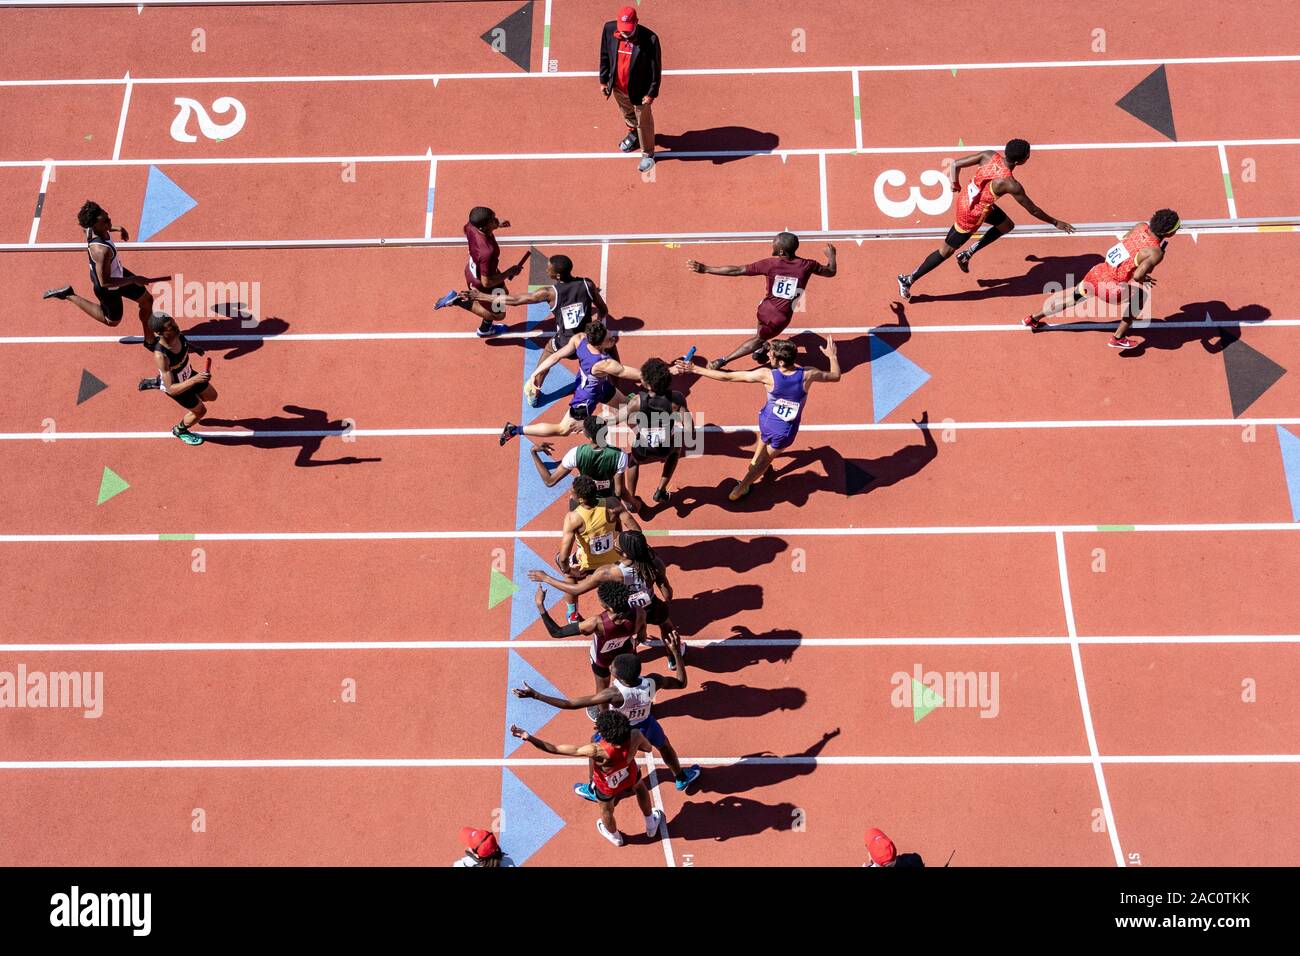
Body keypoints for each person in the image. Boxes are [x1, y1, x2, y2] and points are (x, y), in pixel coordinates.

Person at [513, 643, 702, 796]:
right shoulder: (653, 681)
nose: (610, 666)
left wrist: (536, 695)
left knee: (593, 751)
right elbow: (681, 683)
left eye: (612, 667)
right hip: (646, 724)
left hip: (619, 732)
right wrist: (676, 653)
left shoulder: (613, 694)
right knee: (665, 747)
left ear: (618, 675)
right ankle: (680, 776)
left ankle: (593, 787)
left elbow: (569, 704)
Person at [896, 139, 1075, 300]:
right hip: (971, 215)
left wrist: (955, 184)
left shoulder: (989, 155)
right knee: (946, 251)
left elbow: (956, 164)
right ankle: (908, 279)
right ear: (1021, 161)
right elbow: (1033, 210)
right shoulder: (1010, 184)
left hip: (969, 199)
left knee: (1006, 225)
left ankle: (967, 254)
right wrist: (1056, 222)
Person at [674, 337, 840, 501]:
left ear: (781, 362)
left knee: (763, 443)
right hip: (784, 432)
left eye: (772, 355)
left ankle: (753, 462)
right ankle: (740, 488)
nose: (768, 356)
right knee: (765, 463)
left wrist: (695, 369)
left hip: (765, 420)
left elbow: (727, 377)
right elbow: (835, 376)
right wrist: (832, 356)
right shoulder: (808, 374)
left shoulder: (766, 375)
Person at [1023, 208, 1181, 351]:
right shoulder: (1155, 252)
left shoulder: (1141, 226)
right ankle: (1118, 338)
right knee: (1140, 296)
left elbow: (1126, 241)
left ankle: (1033, 318)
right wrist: (1146, 275)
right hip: (1111, 288)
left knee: (1072, 298)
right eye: (1177, 228)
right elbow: (1139, 275)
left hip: (1097, 273)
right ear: (1168, 233)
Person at [528, 529, 682, 669]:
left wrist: (546, 578)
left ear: (625, 553)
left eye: (618, 542)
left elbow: (576, 589)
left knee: (620, 633)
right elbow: (668, 594)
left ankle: (622, 656)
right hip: (650, 605)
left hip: (625, 610)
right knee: (666, 625)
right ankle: (673, 658)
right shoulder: (656, 564)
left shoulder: (608, 572)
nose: (614, 541)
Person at [511, 711, 664, 847]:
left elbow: (556, 749)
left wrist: (529, 737)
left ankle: (615, 837)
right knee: (640, 788)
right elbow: (648, 748)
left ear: (605, 734)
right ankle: (651, 824)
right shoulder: (635, 735)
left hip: (606, 786)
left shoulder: (597, 750)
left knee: (606, 809)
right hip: (630, 774)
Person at [467, 254, 610, 399]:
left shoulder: (549, 293)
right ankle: (611, 385)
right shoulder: (588, 285)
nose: (546, 271)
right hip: (586, 341)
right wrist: (594, 327)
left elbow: (516, 300)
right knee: (605, 356)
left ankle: (534, 393)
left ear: (558, 276)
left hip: (563, 343)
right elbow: (603, 310)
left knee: (544, 363)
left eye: (549, 269)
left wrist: (481, 296)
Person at [687, 233, 836, 370]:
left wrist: (706, 268)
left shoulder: (769, 264)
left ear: (782, 252)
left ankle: (760, 347)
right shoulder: (807, 265)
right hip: (780, 318)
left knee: (761, 331)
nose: (772, 246)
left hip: (764, 308)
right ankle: (724, 360)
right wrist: (832, 256)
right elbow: (831, 272)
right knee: (759, 338)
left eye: (774, 245)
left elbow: (736, 270)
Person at [43, 201, 171, 348]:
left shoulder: (97, 228)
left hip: (118, 273)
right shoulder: (101, 252)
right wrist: (134, 279)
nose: (108, 220)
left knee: (147, 301)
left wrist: (118, 228)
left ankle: (149, 340)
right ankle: (69, 295)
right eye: (105, 221)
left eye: (107, 216)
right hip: (107, 287)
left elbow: (99, 226)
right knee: (112, 322)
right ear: (95, 226)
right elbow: (105, 282)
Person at [500, 321, 639, 444]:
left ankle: (640, 438)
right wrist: (654, 376)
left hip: (600, 386)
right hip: (585, 400)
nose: (613, 339)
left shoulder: (579, 339)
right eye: (609, 339)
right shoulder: (603, 363)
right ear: (599, 344)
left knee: (626, 405)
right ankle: (515, 430)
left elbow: (556, 356)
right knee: (562, 430)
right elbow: (626, 372)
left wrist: (535, 373)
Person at [550, 475, 640, 621]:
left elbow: (564, 557)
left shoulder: (573, 518)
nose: (568, 492)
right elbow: (636, 531)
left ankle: (572, 613)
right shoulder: (612, 504)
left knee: (564, 567)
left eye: (571, 491)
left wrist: (568, 570)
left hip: (587, 565)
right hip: (616, 562)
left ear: (579, 499)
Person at [535, 581, 645, 699]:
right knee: (632, 682)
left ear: (609, 607)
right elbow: (641, 637)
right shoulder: (639, 612)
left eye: (600, 599)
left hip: (602, 659)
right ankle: (638, 702)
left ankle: (603, 713)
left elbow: (556, 632)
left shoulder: (596, 623)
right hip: (627, 655)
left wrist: (540, 604)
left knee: (602, 692)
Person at [433, 206, 523, 338]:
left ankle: (485, 329)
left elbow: (482, 228)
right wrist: (509, 272)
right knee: (499, 314)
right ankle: (458, 300)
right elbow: (487, 283)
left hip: (473, 269)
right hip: (482, 280)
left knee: (503, 294)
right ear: (483, 227)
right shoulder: (487, 252)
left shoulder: (470, 226)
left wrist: (497, 224)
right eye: (493, 220)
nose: (496, 220)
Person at [526, 416, 637, 513]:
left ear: (587, 436)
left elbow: (549, 481)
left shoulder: (575, 453)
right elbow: (619, 491)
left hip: (583, 502)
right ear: (606, 432)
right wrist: (634, 503)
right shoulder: (619, 455)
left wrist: (534, 452)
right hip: (607, 502)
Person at [600, 6, 662, 174]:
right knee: (627, 114)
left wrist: (651, 93)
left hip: (640, 92)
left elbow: (655, 69)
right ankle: (633, 134)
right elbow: (605, 55)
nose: (625, 34)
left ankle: (648, 153)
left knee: (644, 122)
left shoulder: (650, 39)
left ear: (636, 23)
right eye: (622, 30)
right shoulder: (609, 29)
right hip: (619, 88)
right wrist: (604, 81)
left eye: (628, 30)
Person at [623, 357, 691, 508]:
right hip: (664, 447)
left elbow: (618, 417)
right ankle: (660, 490)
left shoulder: (637, 400)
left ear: (647, 384)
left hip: (643, 445)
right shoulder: (677, 399)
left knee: (633, 461)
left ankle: (630, 499)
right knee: (676, 450)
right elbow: (689, 429)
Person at [146, 313, 217, 446]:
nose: (176, 327)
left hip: (189, 375)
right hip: (178, 387)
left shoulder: (177, 334)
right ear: (159, 333)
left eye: (173, 323)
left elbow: (184, 343)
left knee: (212, 396)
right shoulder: (161, 356)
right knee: (201, 411)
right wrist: (195, 380)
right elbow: (171, 389)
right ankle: (180, 430)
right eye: (170, 327)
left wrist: (195, 348)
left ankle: (158, 381)